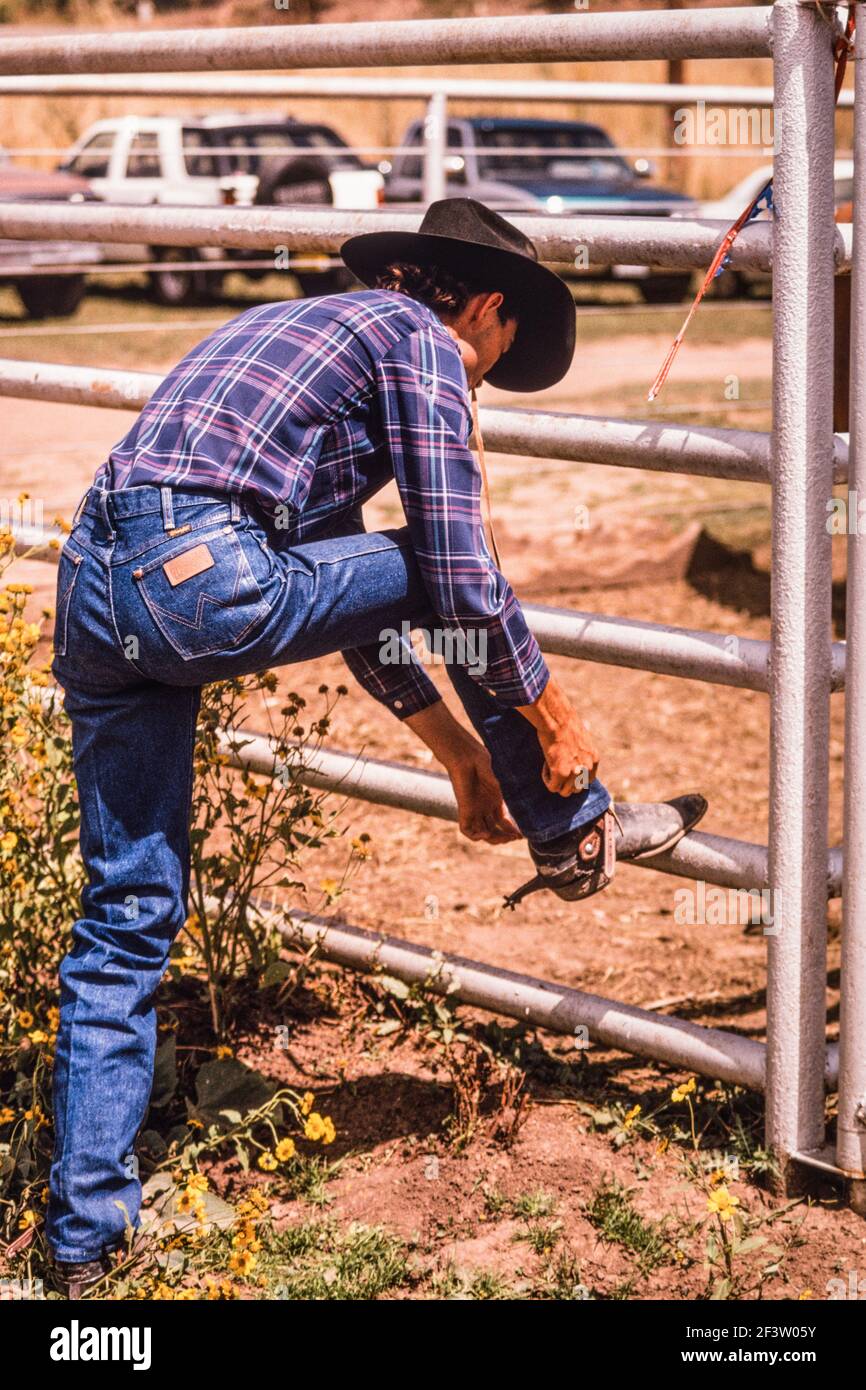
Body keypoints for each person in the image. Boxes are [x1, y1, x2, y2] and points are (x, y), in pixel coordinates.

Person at [47, 197, 706, 1295]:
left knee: (122, 917)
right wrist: (545, 716)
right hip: (200, 579)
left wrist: (452, 745)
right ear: (486, 308)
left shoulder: (295, 329)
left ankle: (80, 1248)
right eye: (498, 353)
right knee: (456, 558)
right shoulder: (421, 345)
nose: (483, 377)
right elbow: (445, 566)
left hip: (93, 592)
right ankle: (570, 831)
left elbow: (337, 574)